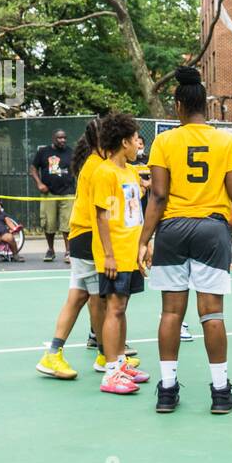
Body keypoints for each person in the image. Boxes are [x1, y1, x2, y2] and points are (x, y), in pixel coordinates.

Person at [137, 66, 232, 414]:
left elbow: (158, 197)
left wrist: (144, 240)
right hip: (211, 229)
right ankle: (220, 393)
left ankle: (167, 391)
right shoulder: (226, 141)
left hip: (173, 230)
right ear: (205, 105)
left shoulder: (163, 141)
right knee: (212, 314)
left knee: (171, 313)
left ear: (177, 105)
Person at [35, 121, 141, 381]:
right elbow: (102, 213)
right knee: (96, 298)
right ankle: (105, 355)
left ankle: (58, 353)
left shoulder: (96, 164)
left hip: (82, 235)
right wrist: (109, 252)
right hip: (87, 236)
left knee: (79, 296)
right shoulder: (98, 168)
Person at [91, 112, 150, 394]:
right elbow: (102, 216)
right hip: (114, 253)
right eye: (136, 140)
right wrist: (109, 255)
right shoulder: (104, 172)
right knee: (114, 309)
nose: (139, 145)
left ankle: (120, 363)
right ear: (124, 141)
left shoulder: (130, 172)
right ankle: (110, 372)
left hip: (130, 251)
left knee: (122, 308)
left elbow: (135, 213)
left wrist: (144, 245)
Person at [30, 129, 74, 263]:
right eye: (60, 138)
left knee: (68, 224)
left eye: (64, 138)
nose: (63, 140)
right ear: (53, 138)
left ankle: (68, 251)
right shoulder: (44, 152)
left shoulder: (70, 152)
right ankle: (50, 249)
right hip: (49, 193)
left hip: (68, 193)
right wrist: (39, 183)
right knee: (49, 223)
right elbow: (33, 168)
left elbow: (77, 168)